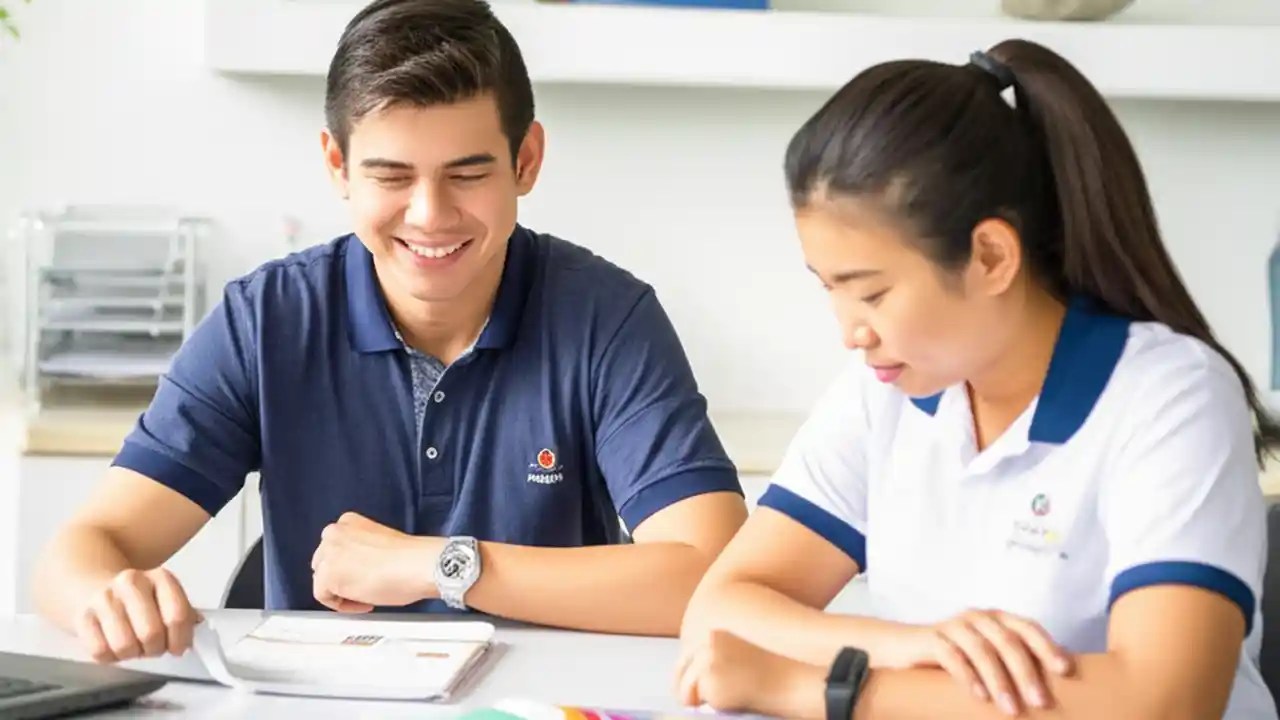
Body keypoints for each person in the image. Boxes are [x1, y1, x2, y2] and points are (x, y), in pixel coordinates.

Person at [32, 0, 748, 664]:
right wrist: (105, 595)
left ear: (525, 161)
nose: (430, 215)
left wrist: (438, 564)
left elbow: (714, 576)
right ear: (338, 166)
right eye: (392, 176)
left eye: (467, 174)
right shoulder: (266, 320)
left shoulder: (606, 319)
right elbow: (85, 549)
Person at [675, 39, 1279, 720]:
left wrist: (821, 688)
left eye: (871, 294)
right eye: (830, 290)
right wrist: (910, 647)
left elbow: (1161, 699)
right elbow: (719, 611)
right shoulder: (886, 389)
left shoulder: (1171, 397)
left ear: (991, 256)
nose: (850, 330)